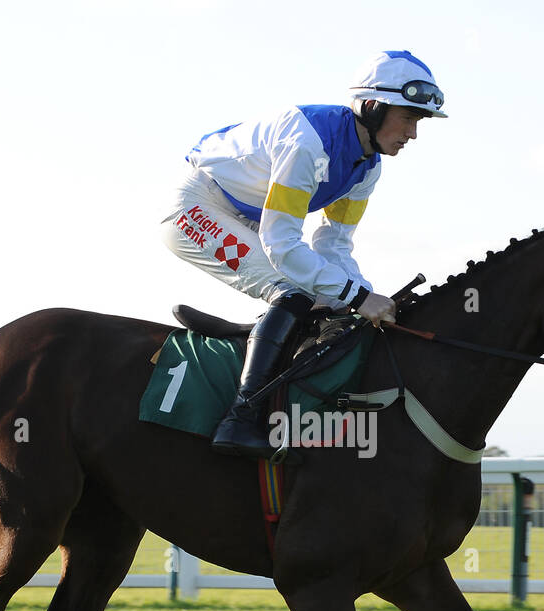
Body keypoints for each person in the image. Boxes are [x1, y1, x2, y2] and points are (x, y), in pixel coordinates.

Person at [161, 50, 447, 458]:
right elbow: (283, 246)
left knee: (331, 298)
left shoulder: (367, 168)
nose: (413, 133)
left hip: (249, 218)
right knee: (293, 292)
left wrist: (365, 297)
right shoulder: (307, 144)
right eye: (408, 117)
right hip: (196, 208)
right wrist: (360, 298)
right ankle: (240, 418)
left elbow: (333, 245)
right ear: (372, 107)